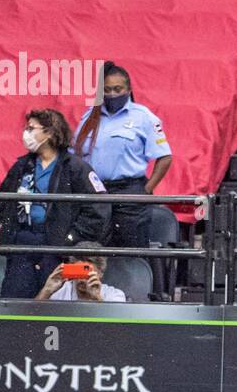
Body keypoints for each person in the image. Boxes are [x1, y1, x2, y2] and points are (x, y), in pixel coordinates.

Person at [0, 109, 111, 298]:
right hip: (21, 245)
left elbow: (99, 209)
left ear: (50, 132)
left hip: (57, 248)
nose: (26, 132)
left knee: (53, 302)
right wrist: (8, 229)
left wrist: (70, 239)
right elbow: (1, 202)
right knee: (14, 301)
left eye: (31, 128)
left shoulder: (75, 167)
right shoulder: (22, 166)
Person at [72, 62, 172, 251]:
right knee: (92, 249)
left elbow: (165, 157)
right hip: (95, 192)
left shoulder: (143, 117)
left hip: (129, 192)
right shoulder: (89, 117)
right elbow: (75, 154)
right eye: (107, 90)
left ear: (128, 89)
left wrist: (147, 190)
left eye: (117, 89)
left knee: (129, 251)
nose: (112, 94)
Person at [35, 243, 126, 302]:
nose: (81, 279)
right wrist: (47, 290)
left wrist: (97, 298)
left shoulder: (115, 295)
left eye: (87, 273)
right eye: (78, 271)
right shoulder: (61, 290)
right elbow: (33, 315)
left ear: (100, 273)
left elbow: (116, 328)